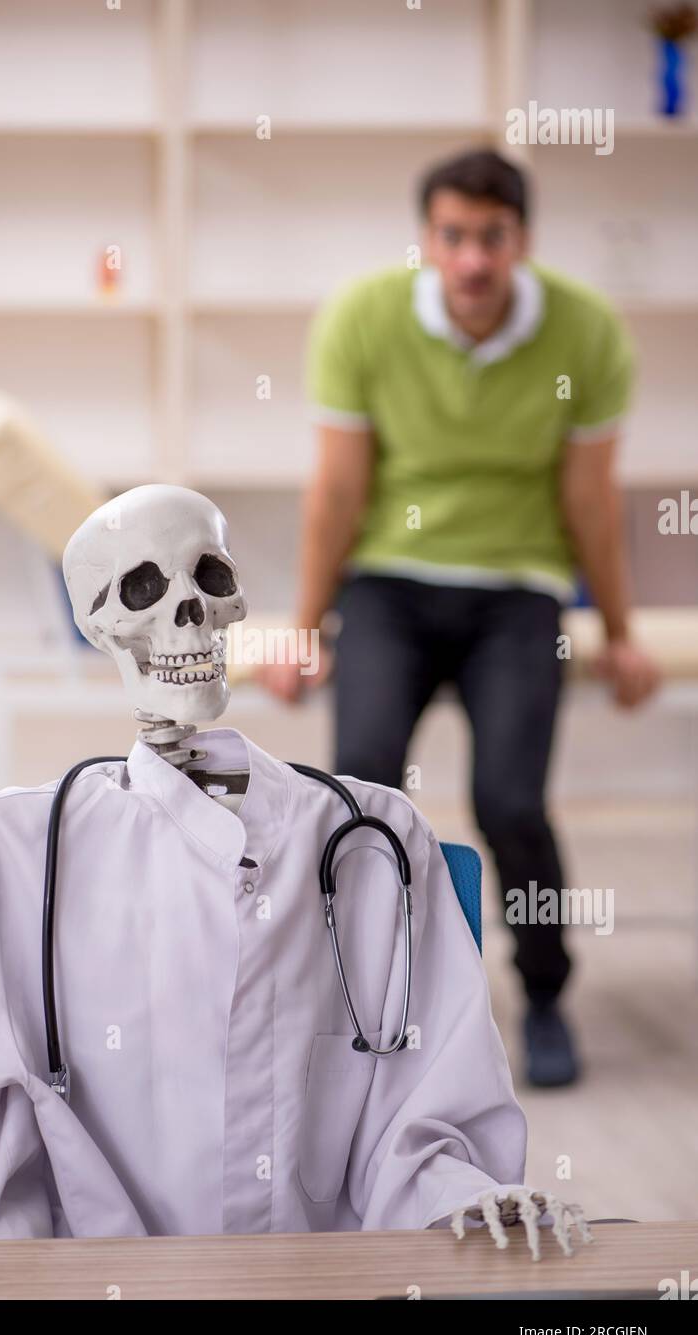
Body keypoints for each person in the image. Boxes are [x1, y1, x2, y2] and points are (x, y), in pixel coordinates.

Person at [257, 148, 661, 1088]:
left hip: (516, 590)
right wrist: (305, 624)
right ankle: (355, 997)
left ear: (520, 240)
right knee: (357, 790)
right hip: (388, 587)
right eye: (452, 236)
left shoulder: (586, 333)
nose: (472, 259)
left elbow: (592, 501)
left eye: (492, 237)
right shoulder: (363, 319)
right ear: (426, 241)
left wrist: (622, 633)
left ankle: (547, 996)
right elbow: (338, 490)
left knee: (509, 805)